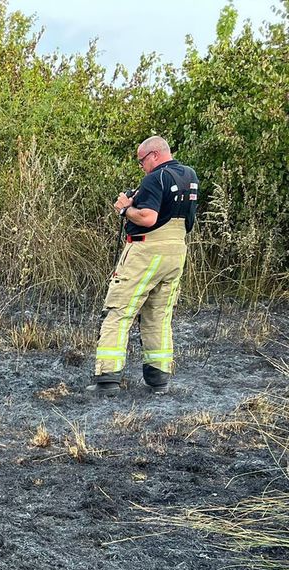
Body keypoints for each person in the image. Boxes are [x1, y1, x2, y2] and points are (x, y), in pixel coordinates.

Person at [89, 136, 199, 396]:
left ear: (155, 155)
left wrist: (125, 209)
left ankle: (107, 380)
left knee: (118, 311)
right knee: (159, 315)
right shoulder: (189, 175)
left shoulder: (154, 178)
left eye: (142, 160)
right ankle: (159, 380)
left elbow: (148, 218)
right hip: (176, 250)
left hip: (147, 250)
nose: (141, 166)